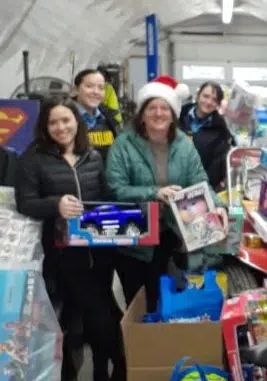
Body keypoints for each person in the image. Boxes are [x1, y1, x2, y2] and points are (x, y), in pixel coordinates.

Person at [14, 98, 124, 381]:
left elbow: (103, 197)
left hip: (100, 252)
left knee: (96, 313)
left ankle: (101, 375)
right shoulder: (33, 160)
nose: (61, 127)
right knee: (94, 315)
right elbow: (25, 202)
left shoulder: (92, 157)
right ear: (45, 127)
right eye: (54, 122)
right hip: (62, 255)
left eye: (66, 120)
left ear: (77, 121)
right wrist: (56, 205)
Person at [106, 76, 209, 312]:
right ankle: (138, 345)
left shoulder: (184, 145)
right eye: (152, 108)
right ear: (142, 114)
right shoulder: (123, 145)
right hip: (134, 240)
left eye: (165, 108)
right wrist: (155, 193)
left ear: (173, 115)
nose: (159, 113)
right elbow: (115, 189)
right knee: (138, 303)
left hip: (172, 236)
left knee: (169, 300)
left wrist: (219, 206)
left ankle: (163, 343)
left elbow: (199, 181)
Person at [178, 81, 234, 189]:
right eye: (206, 96)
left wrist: (200, 186)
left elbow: (218, 166)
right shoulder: (178, 116)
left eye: (214, 100)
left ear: (218, 104)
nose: (208, 102)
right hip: (172, 183)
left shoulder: (221, 129)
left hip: (200, 186)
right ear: (198, 95)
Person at [73, 69, 120, 162]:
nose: (96, 92)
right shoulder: (65, 118)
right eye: (89, 86)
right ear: (76, 89)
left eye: (101, 88)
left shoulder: (109, 119)